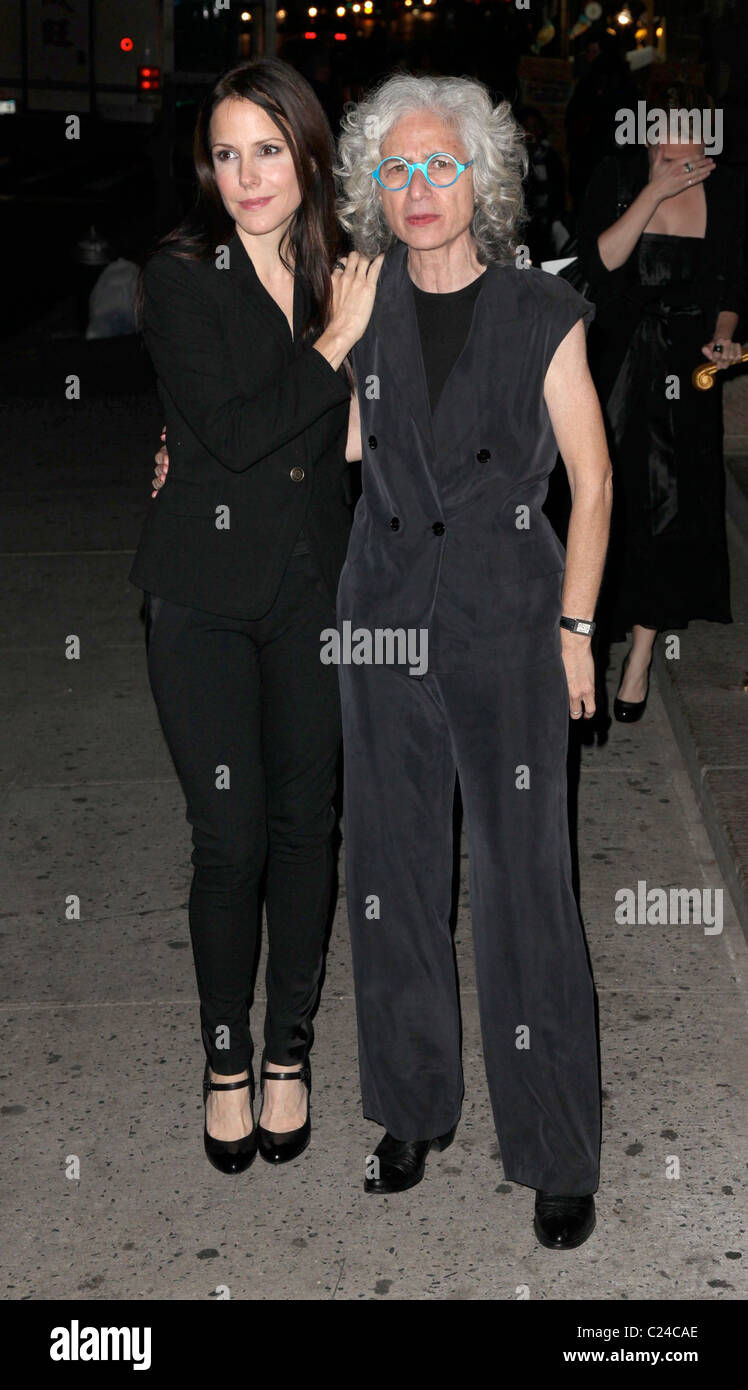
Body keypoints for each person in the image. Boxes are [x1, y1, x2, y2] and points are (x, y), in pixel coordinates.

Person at [333, 72, 613, 1249]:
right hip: (383, 618)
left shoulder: (540, 309)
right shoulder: (358, 298)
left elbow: (592, 480)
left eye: (440, 164)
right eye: (396, 168)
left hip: (508, 621)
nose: (418, 186)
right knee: (390, 875)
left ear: (481, 179)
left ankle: (552, 1145)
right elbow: (328, 451)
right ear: (374, 188)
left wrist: (575, 630)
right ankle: (410, 1109)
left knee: (523, 886)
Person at [130, 58, 382, 1175]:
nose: (246, 175)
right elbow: (231, 434)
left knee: (303, 830)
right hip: (204, 597)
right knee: (229, 840)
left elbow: (374, 433)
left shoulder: (352, 269)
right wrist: (334, 347)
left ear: (309, 155)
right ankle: (225, 1061)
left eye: (267, 150)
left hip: (317, 592)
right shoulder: (181, 276)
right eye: (226, 154)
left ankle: (289, 1052)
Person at [576, 83, 745, 720]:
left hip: (686, 365)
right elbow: (598, 266)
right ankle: (589, 632)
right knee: (607, 496)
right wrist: (653, 193)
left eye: (699, 134)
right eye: (675, 134)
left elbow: (731, 279)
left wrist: (725, 335)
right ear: (649, 135)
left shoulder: (724, 189)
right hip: (618, 360)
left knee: (673, 507)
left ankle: (642, 654)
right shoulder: (618, 177)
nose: (689, 149)